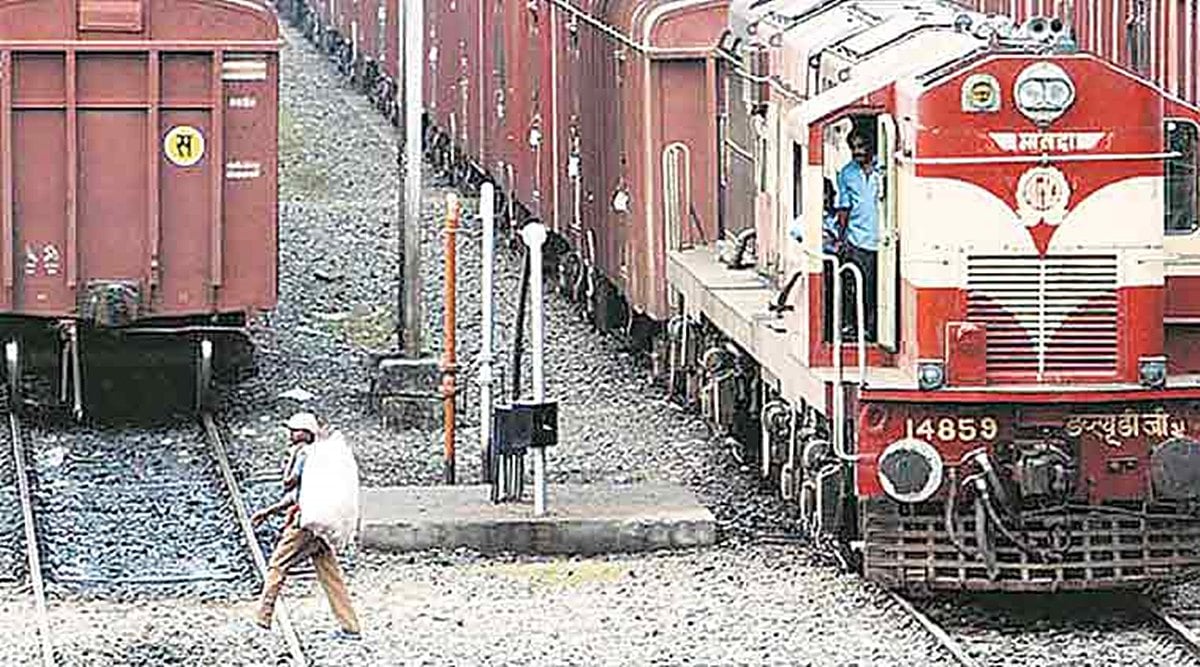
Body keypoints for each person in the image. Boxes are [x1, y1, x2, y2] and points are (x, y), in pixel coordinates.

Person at [252, 412, 361, 639]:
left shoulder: (305, 455)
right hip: (319, 522)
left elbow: (289, 483)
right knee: (330, 573)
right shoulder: (319, 457)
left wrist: (292, 459)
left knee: (277, 565)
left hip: (305, 523)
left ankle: (263, 617)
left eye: (294, 430)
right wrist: (268, 512)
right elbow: (296, 495)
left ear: (305, 433)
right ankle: (350, 626)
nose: (290, 434)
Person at [835, 129, 881, 340]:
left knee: (878, 289)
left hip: (884, 239)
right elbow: (844, 207)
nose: (857, 152)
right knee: (861, 288)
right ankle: (862, 328)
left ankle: (875, 328)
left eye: (861, 146)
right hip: (858, 240)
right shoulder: (847, 173)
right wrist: (841, 238)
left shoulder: (885, 168)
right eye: (854, 148)